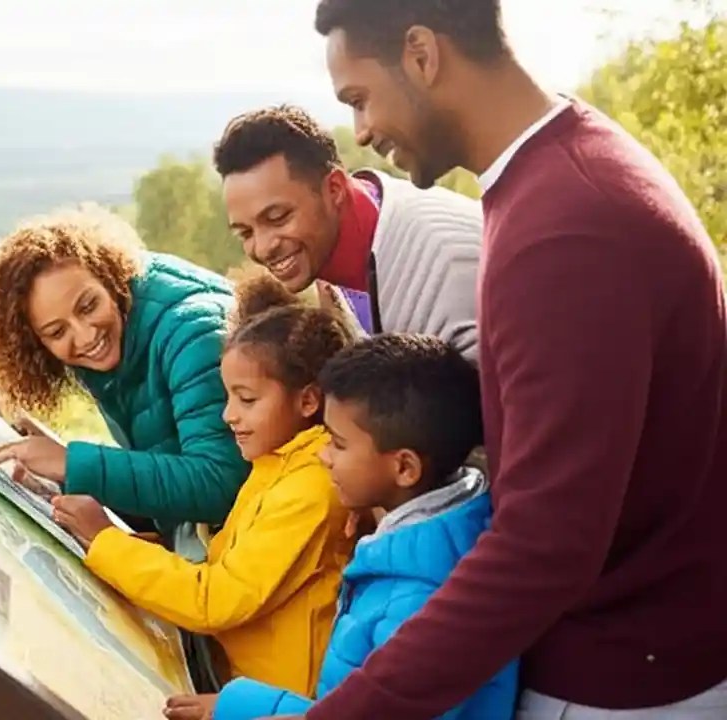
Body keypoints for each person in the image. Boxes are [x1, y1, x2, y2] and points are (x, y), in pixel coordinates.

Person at [287, 1, 727, 718]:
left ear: (422, 54)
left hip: (621, 677)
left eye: (359, 99)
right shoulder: (566, 170)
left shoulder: (567, 230)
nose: (361, 132)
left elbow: (544, 547)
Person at [51, 271, 355, 700]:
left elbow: (215, 598)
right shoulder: (277, 463)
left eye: (247, 400)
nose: (228, 415)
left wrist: (105, 541)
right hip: (237, 679)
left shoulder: (310, 488)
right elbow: (225, 562)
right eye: (228, 397)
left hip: (273, 700)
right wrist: (138, 547)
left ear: (308, 401)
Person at [187, 334, 517, 720]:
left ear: (405, 468)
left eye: (338, 444)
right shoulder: (437, 533)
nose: (324, 457)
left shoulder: (422, 599)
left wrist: (235, 708)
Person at [0, 204, 250, 545]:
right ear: (35, 344)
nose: (85, 336)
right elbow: (167, 459)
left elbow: (220, 482)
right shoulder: (113, 340)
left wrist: (71, 463)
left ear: (107, 274)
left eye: (88, 306)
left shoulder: (193, 335)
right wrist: (62, 481)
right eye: (56, 333)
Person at [213, 104, 482, 360]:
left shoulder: (439, 262)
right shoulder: (325, 262)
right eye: (245, 233)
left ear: (335, 189)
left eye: (278, 218)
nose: (262, 248)